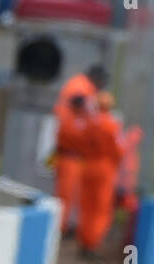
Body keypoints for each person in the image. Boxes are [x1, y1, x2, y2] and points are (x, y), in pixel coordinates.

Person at [51, 63, 106, 237]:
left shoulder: (85, 87)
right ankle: (59, 229)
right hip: (70, 152)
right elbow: (77, 100)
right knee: (66, 194)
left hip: (76, 152)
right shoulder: (81, 85)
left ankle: (66, 226)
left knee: (74, 195)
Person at [77, 90, 127, 260]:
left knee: (86, 206)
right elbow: (119, 149)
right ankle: (92, 245)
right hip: (105, 168)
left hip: (88, 166)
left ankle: (84, 241)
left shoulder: (89, 122)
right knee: (101, 209)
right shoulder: (112, 124)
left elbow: (81, 142)